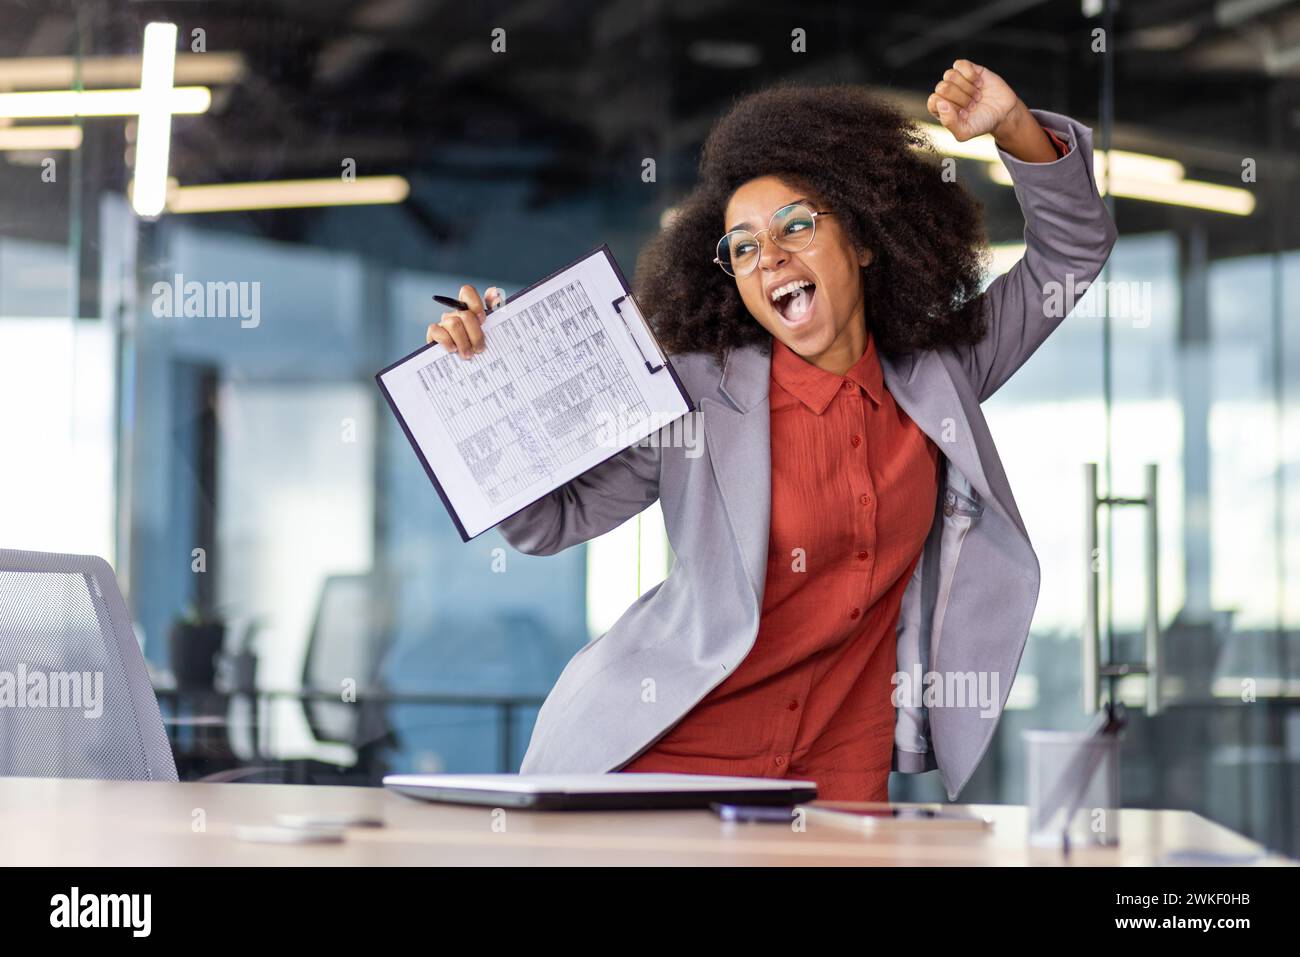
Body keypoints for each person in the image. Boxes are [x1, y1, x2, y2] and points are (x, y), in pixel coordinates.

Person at [426, 60, 1118, 801]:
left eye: (796, 225)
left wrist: (1014, 127)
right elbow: (547, 523)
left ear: (863, 240)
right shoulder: (694, 394)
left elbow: (1071, 254)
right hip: (664, 755)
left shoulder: (941, 374)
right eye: (745, 247)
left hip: (837, 770)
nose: (772, 258)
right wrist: (491, 392)